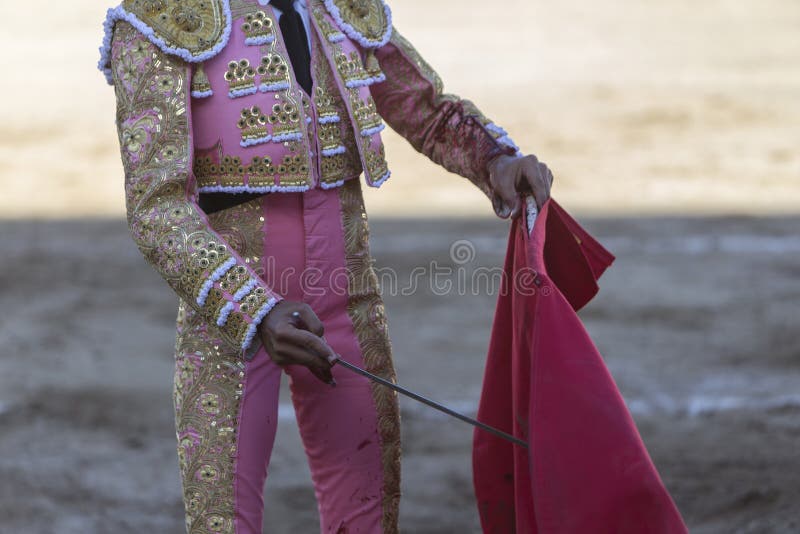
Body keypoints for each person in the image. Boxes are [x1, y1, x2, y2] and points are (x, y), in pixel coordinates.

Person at [99, 0, 552, 532]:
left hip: (346, 297)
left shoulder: (338, 7)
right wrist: (253, 310)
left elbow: (425, 107)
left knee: (367, 515)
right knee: (224, 522)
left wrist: (495, 159)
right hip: (229, 316)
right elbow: (157, 206)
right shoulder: (162, 18)